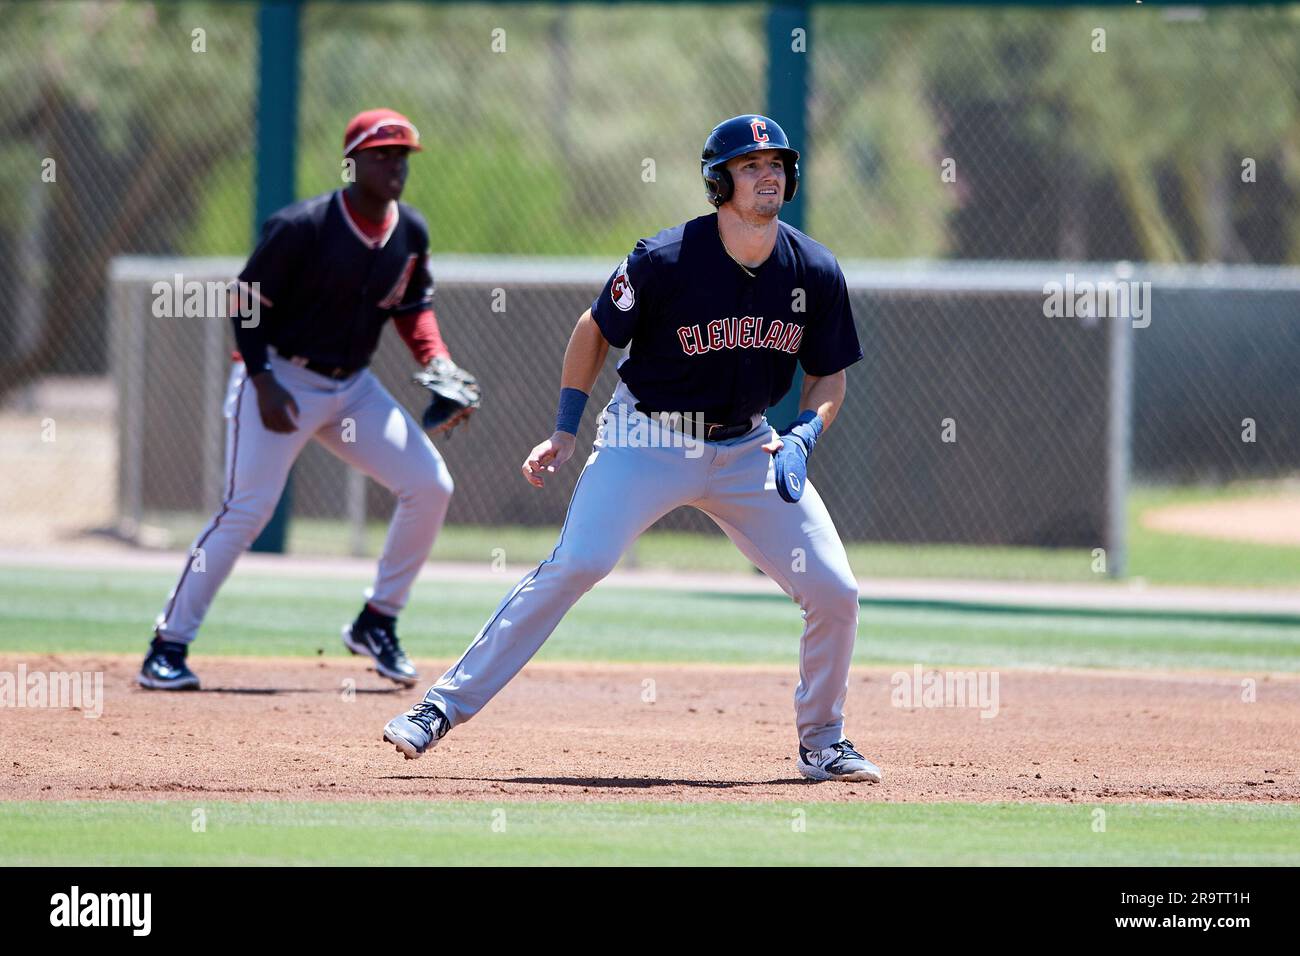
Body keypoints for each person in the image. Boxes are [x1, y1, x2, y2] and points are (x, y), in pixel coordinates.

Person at [381, 114, 880, 783]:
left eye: (777, 164)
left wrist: (806, 433)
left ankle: (823, 743)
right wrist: (565, 427)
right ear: (719, 181)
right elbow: (595, 330)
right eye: (751, 165)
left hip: (749, 449)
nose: (769, 175)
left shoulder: (813, 269)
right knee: (578, 561)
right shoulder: (665, 258)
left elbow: (829, 374)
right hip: (646, 438)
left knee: (836, 590)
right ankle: (439, 709)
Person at [139, 109, 475, 691]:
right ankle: (166, 647)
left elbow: (411, 306)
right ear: (353, 162)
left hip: (352, 388)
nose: (395, 164)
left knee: (430, 485)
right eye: (382, 153)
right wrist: (263, 381)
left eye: (403, 155)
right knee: (246, 510)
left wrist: (436, 363)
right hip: (279, 379)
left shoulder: (410, 231)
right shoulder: (302, 226)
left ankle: (378, 620)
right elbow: (245, 306)